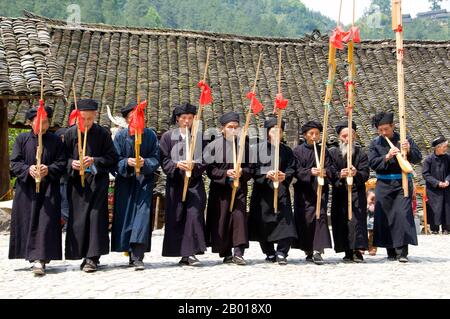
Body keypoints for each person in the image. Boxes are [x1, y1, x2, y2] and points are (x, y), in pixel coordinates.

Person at [9, 106, 67, 275]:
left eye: (46, 122)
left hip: (48, 189)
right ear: (30, 123)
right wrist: (29, 169)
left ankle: (40, 259)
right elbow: (15, 163)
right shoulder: (22, 139)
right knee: (28, 222)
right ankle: (32, 256)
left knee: (45, 223)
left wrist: (48, 169)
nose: (43, 125)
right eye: (39, 122)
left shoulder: (56, 141)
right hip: (26, 190)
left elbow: (62, 162)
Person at [64, 99, 118, 272]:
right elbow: (61, 159)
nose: (86, 123)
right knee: (78, 220)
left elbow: (111, 157)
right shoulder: (70, 134)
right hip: (76, 184)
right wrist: (72, 163)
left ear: (95, 116)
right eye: (83, 119)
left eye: (89, 119)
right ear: (77, 117)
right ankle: (79, 253)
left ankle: (92, 257)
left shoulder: (102, 134)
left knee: (96, 219)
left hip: (97, 183)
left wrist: (94, 160)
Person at [111, 101, 160, 270]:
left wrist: (145, 162)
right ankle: (128, 251)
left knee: (142, 217)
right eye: (132, 117)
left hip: (144, 183)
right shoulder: (120, 136)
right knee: (125, 216)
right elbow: (114, 160)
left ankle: (138, 255)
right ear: (126, 119)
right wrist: (126, 162)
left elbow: (156, 158)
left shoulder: (151, 135)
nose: (136, 120)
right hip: (125, 182)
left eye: (139, 116)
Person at [368, 112, 422, 262]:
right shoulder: (375, 143)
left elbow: (418, 158)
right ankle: (390, 250)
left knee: (402, 215)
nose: (383, 133)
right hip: (384, 184)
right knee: (385, 216)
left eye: (386, 129)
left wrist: (409, 149)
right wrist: (387, 156)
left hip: (402, 183)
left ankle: (402, 251)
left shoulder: (405, 139)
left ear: (393, 126)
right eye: (380, 130)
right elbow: (372, 163)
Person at [159, 103, 207, 266]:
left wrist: (195, 165)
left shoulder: (199, 137)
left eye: (190, 118)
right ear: (178, 119)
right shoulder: (167, 137)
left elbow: (205, 159)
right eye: (183, 118)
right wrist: (177, 165)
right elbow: (164, 159)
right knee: (177, 216)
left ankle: (191, 252)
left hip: (194, 183)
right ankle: (180, 252)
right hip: (176, 183)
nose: (187, 121)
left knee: (194, 215)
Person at [204, 112, 252, 265]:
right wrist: (225, 173)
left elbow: (251, 168)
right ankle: (225, 253)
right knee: (222, 220)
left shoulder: (244, 145)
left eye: (236, 127)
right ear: (222, 129)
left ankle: (238, 252)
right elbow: (209, 170)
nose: (233, 130)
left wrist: (242, 172)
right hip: (220, 190)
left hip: (239, 189)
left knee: (239, 219)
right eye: (230, 127)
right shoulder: (213, 146)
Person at [248, 117, 297, 265]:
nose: (277, 133)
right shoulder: (256, 149)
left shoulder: (287, 151)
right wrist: (265, 174)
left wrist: (284, 176)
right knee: (263, 223)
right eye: (273, 130)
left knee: (286, 222)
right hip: (263, 192)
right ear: (268, 132)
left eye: (280, 131)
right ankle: (269, 252)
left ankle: (282, 252)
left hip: (281, 191)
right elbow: (252, 169)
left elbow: (291, 168)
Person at [292, 121, 334, 265]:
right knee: (305, 220)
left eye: (317, 133)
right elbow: (296, 171)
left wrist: (324, 172)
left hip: (319, 189)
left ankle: (318, 250)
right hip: (304, 191)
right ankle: (308, 250)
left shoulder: (324, 151)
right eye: (311, 134)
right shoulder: (297, 151)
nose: (315, 136)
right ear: (305, 135)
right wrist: (310, 172)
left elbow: (330, 169)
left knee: (320, 216)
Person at [329, 121, 369, 263]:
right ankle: (346, 250)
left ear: (355, 136)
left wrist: (356, 173)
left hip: (357, 192)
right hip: (340, 191)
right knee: (341, 221)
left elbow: (365, 174)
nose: (347, 139)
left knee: (357, 221)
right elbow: (329, 171)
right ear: (339, 137)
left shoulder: (361, 153)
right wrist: (340, 174)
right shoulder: (332, 153)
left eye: (350, 136)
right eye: (344, 136)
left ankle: (357, 250)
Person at [422, 136, 450, 234]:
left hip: (446, 188)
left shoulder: (448, 158)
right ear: (438, 147)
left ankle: (447, 228)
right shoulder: (429, 159)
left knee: (447, 207)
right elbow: (425, 174)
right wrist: (437, 183)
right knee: (435, 208)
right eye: (444, 147)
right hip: (433, 189)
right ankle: (434, 229)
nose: (446, 148)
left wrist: (447, 180)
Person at [55, 127, 69, 231]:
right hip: (56, 180)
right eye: (61, 138)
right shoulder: (55, 148)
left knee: (65, 205)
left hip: (66, 180)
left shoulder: (70, 148)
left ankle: (67, 224)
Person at [366, 190, 377, 256]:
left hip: (372, 224)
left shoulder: (375, 205)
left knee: (372, 236)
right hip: (365, 223)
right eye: (372, 199)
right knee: (362, 235)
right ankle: (361, 248)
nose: (373, 201)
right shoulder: (365, 205)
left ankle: (372, 248)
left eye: (375, 199)